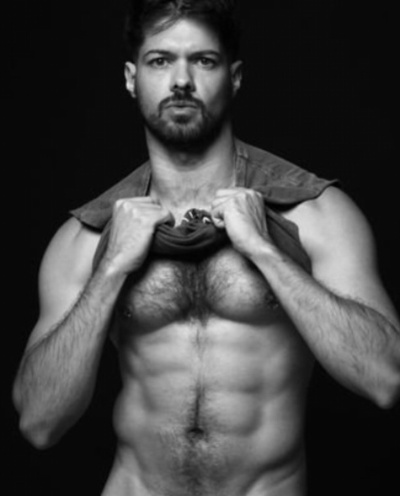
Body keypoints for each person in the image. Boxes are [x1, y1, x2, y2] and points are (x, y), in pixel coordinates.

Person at [12, 1, 400, 495]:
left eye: (203, 60)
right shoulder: (87, 237)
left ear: (234, 78)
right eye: (160, 61)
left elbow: (385, 379)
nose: (181, 81)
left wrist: (265, 251)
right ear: (131, 78)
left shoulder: (314, 214)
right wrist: (110, 270)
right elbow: (39, 424)